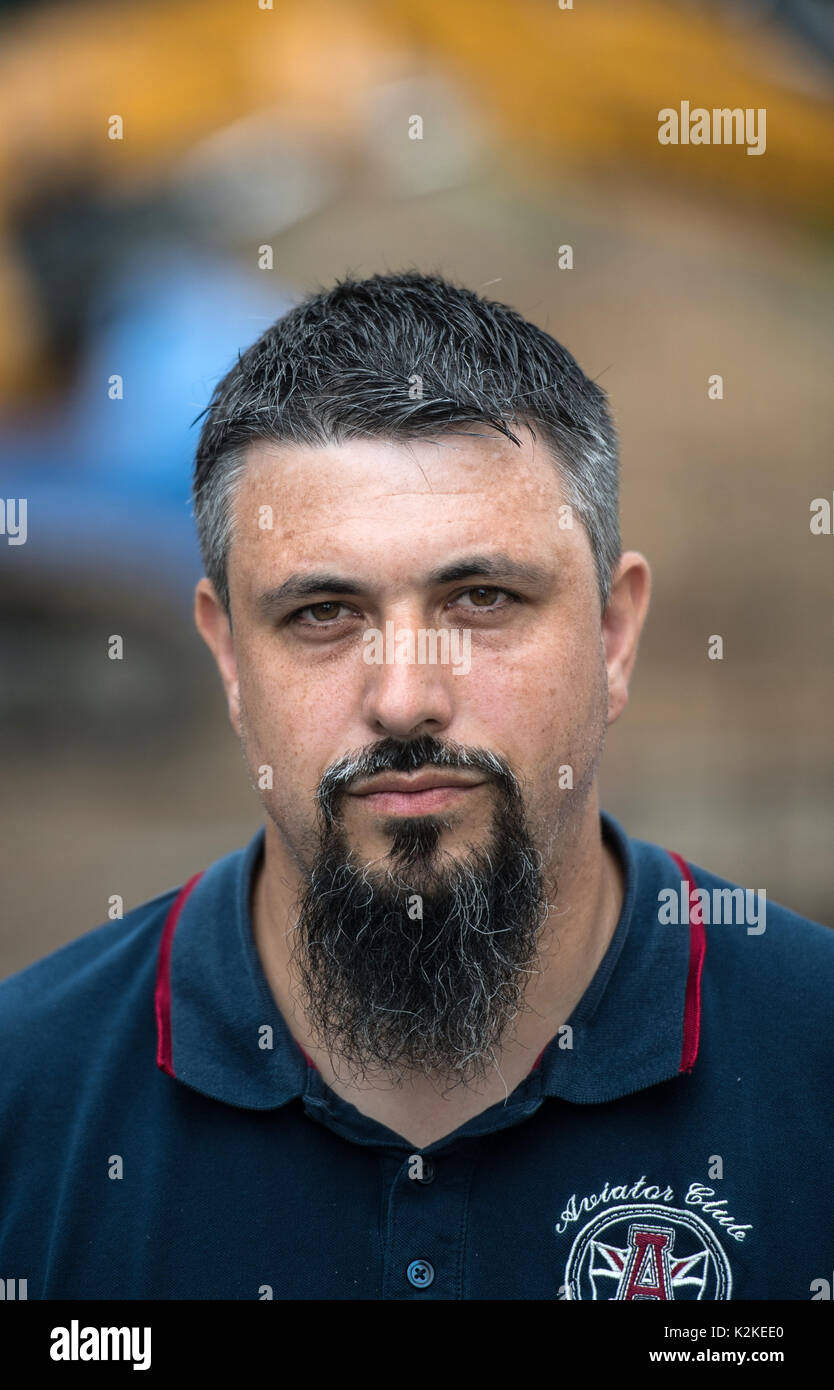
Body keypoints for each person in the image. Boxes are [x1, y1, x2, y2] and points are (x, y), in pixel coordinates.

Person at [1, 271, 831, 1301]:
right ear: (225, 658)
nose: (403, 699)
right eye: (322, 614)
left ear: (614, 635)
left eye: (482, 598)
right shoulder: (26, 1097)